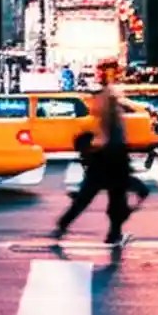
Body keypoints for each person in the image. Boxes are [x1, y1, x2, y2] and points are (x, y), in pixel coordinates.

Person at [51, 59, 134, 245]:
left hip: (106, 153)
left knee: (96, 196)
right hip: (112, 154)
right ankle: (112, 233)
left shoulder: (104, 96)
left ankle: (65, 225)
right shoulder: (110, 96)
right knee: (113, 196)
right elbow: (109, 128)